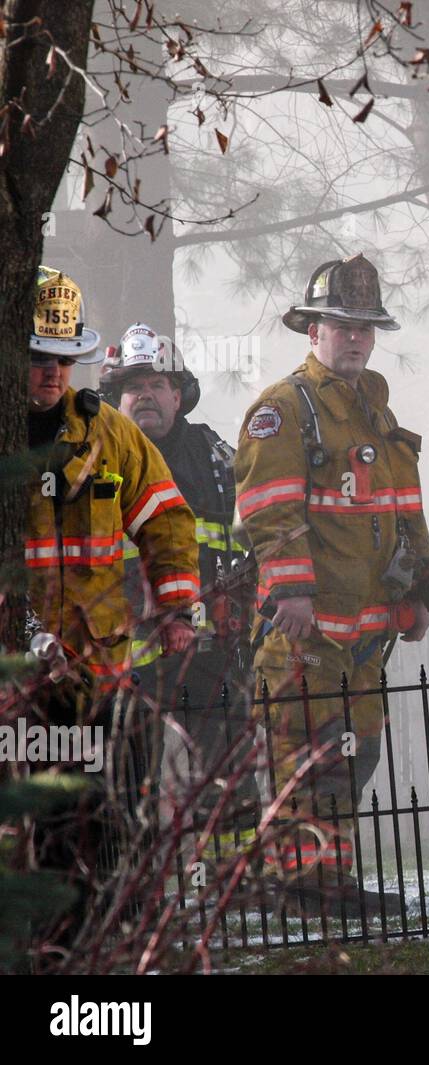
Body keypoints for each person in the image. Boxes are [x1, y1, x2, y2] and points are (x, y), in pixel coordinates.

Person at [235, 253, 429, 919]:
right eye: (341, 324)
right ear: (313, 330)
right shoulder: (283, 409)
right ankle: (299, 888)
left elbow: (401, 509)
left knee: (354, 759)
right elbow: (269, 507)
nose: (355, 336)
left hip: (364, 635)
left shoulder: (376, 416)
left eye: (365, 326)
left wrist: (418, 585)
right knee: (304, 761)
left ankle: (330, 882)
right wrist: (290, 587)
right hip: (305, 635)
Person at [22, 267, 200, 944]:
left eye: (62, 359)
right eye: (39, 357)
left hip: (97, 670)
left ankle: (100, 932)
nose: (51, 374)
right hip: (16, 677)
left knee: (100, 810)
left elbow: (165, 516)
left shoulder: (109, 436)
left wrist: (178, 607)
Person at [99, 324, 259, 851]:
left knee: (229, 776)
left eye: (156, 383)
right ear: (115, 397)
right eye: (132, 385)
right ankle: (141, 885)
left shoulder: (213, 456)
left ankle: (229, 882)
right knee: (129, 775)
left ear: (178, 393)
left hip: (206, 644)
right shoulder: (96, 454)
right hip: (124, 650)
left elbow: (247, 535)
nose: (144, 393)